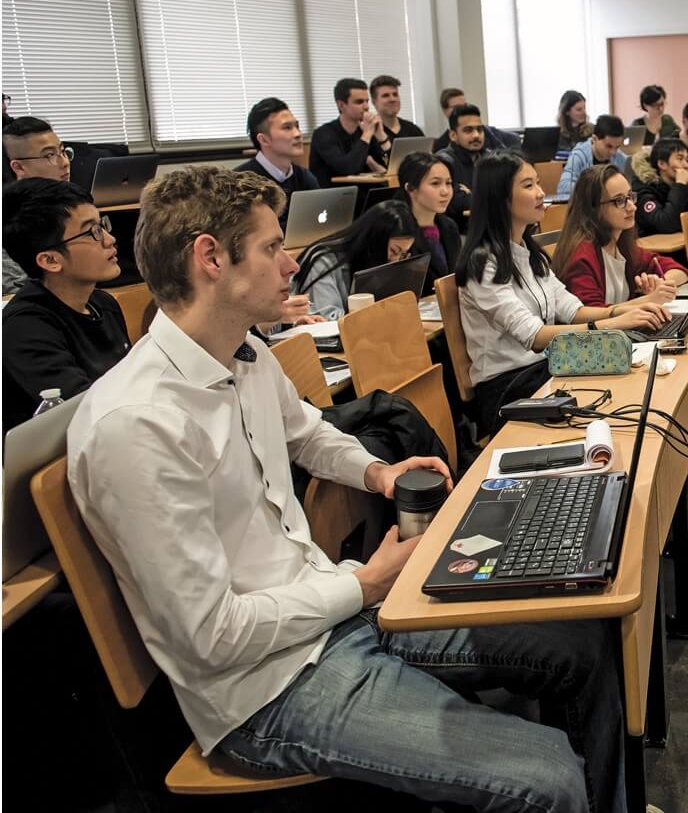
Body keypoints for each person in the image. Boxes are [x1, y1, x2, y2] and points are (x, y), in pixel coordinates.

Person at [65, 163, 627, 812]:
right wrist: (364, 585)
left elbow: (308, 433)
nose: (290, 265)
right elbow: (209, 636)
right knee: (547, 774)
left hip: (335, 612)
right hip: (266, 690)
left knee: (581, 638)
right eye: (273, 248)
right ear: (210, 258)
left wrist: (378, 471)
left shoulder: (241, 354)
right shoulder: (134, 426)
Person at [456, 151, 671, 438]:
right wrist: (612, 324)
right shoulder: (482, 263)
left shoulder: (531, 253)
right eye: (528, 185)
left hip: (544, 370)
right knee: (620, 407)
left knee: (634, 387)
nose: (541, 193)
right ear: (501, 197)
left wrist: (624, 311)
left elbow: (573, 309)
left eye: (537, 183)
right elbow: (533, 336)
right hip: (508, 390)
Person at [1, 180, 127, 433]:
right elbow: (81, 409)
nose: (110, 239)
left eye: (103, 225)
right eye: (93, 232)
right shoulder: (25, 327)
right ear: (50, 260)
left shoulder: (103, 303)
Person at [554, 163, 688, 307]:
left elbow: (679, 270)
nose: (632, 207)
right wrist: (649, 300)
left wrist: (661, 284)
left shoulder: (620, 245)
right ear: (593, 208)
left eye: (630, 196)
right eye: (619, 201)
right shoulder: (582, 256)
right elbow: (590, 316)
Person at [293, 200, 420, 320]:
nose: (396, 260)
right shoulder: (323, 260)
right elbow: (326, 317)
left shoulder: (377, 261)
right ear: (374, 240)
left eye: (403, 254)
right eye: (394, 251)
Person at [3, 116, 73, 295]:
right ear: (18, 167)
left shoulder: (72, 205)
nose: (64, 162)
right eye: (49, 155)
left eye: (63, 151)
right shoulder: (11, 218)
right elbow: (15, 290)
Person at [234, 98, 320, 214]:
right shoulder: (241, 183)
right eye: (287, 127)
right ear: (264, 140)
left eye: (297, 126)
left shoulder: (305, 177)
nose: (298, 134)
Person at [309, 78, 386, 185]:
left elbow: (389, 166)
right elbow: (347, 168)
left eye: (366, 101)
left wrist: (381, 136)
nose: (366, 107)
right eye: (359, 102)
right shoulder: (323, 134)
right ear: (341, 105)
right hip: (336, 196)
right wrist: (367, 134)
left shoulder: (364, 130)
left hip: (367, 194)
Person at [398, 152, 460, 279]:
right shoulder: (398, 231)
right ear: (410, 188)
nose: (445, 191)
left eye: (448, 183)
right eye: (435, 183)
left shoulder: (449, 226)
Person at [632, 137, 688, 235]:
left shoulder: (683, 185)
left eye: (686, 159)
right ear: (662, 164)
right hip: (654, 247)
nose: (686, 165)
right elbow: (665, 224)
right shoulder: (643, 190)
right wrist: (679, 185)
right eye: (680, 159)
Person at [434, 103, 487, 216]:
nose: (476, 135)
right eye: (468, 130)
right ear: (453, 135)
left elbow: (508, 195)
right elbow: (458, 203)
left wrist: (471, 195)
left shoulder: (490, 158)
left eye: (480, 129)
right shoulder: (444, 162)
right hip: (460, 229)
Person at [558, 115, 630, 196]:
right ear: (594, 139)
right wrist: (597, 189)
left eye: (617, 147)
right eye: (608, 146)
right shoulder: (578, 156)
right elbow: (563, 187)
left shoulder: (621, 158)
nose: (613, 152)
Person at [368, 75, 423, 143]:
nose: (392, 99)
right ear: (374, 102)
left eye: (395, 94)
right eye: (385, 95)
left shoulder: (413, 130)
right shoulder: (369, 133)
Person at [555, 90, 592, 159]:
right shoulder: (556, 135)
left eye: (584, 108)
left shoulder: (593, 131)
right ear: (567, 111)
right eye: (579, 109)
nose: (584, 112)